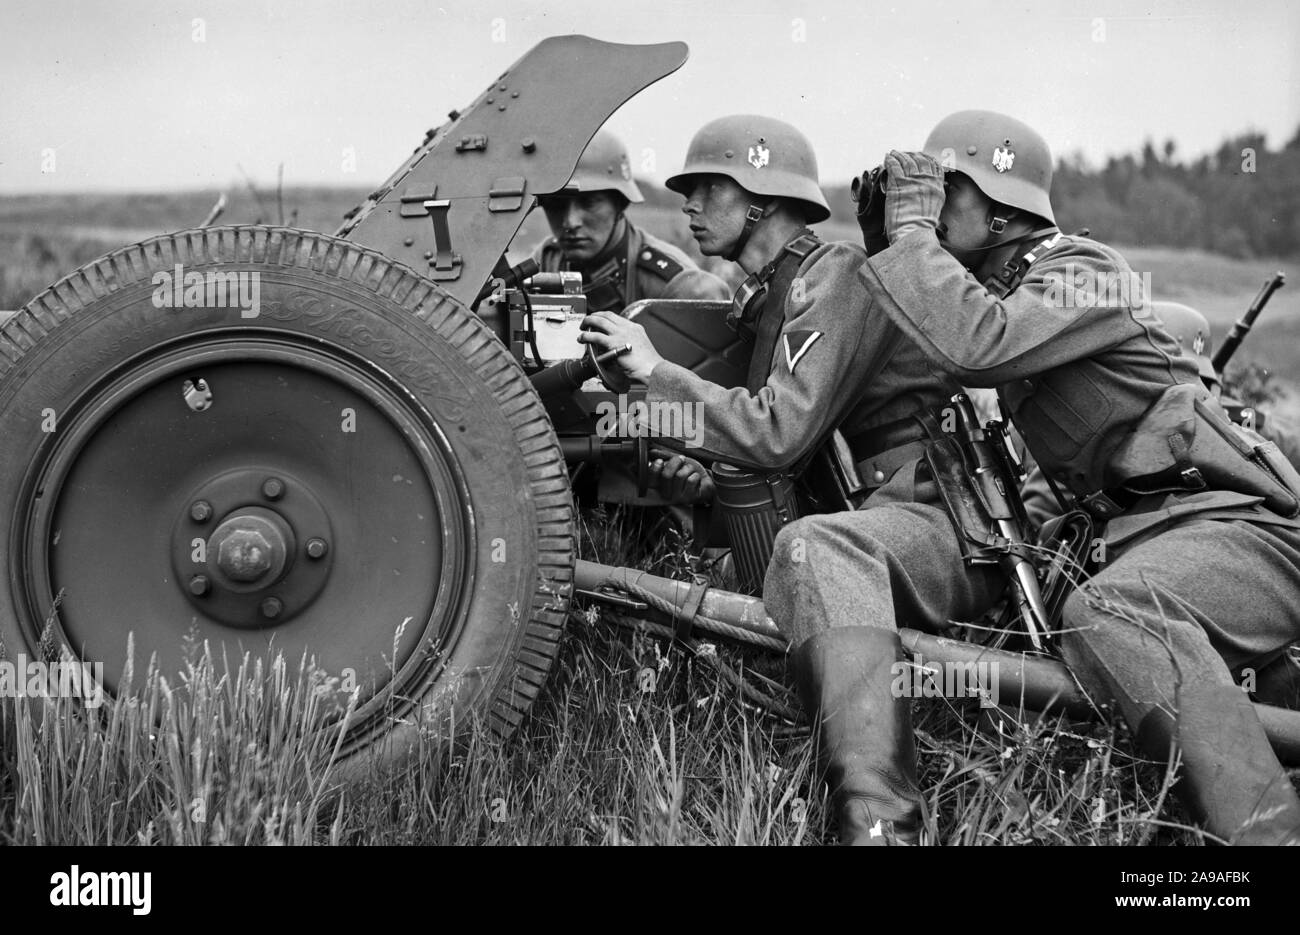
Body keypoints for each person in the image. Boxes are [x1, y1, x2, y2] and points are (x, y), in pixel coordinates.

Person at [764, 110, 1300, 846]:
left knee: (1115, 611)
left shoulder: (1084, 272)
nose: (924, 203)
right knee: (818, 547)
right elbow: (937, 352)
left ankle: (1267, 839)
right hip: (1110, 541)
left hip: (1232, 527)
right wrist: (890, 245)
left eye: (944, 189)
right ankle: (878, 826)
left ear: (1003, 209)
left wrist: (914, 241)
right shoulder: (997, 291)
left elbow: (979, 346)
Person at [578, 115, 958, 507]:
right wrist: (709, 486)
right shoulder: (777, 292)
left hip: (908, 505)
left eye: (711, 186)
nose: (690, 205)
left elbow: (776, 434)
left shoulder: (834, 272)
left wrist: (652, 369)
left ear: (767, 198)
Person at [532, 130, 730, 312]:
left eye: (589, 203)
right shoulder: (546, 261)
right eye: (555, 204)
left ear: (620, 204)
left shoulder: (677, 286)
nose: (570, 222)